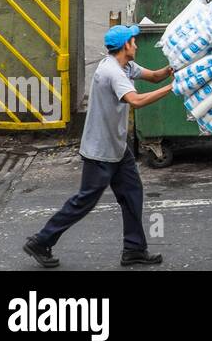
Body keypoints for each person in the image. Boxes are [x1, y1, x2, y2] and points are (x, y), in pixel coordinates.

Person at [23, 24, 174, 268]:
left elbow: (155, 76)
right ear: (126, 45)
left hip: (117, 147)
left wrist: (175, 69)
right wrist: (172, 88)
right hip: (100, 151)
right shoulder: (112, 72)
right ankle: (41, 241)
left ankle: (134, 249)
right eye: (134, 41)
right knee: (84, 201)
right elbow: (135, 101)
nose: (136, 45)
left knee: (132, 194)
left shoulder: (125, 65)